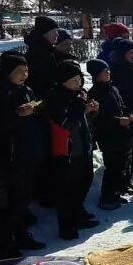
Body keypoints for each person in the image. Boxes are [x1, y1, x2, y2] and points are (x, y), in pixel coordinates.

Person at [0, 52, 47, 258]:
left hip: (29, 151)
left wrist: (38, 108)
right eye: (18, 72)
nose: (24, 75)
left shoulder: (26, 90)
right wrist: (16, 115)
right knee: (10, 202)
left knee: (23, 199)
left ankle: (22, 235)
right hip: (11, 155)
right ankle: (5, 244)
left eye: (26, 71)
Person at [48, 61, 99, 240]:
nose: (78, 82)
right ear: (63, 81)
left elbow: (81, 119)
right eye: (73, 79)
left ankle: (79, 215)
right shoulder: (56, 97)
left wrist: (90, 111)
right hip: (67, 151)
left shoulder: (79, 95)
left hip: (83, 146)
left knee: (84, 182)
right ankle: (66, 227)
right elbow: (66, 123)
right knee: (67, 191)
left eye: (79, 78)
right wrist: (80, 106)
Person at [87, 59, 133, 209]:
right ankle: (106, 197)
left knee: (121, 164)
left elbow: (122, 105)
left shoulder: (113, 88)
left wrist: (129, 114)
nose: (108, 73)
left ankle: (115, 193)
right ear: (96, 75)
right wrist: (118, 121)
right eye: (104, 71)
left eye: (108, 70)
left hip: (121, 133)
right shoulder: (94, 93)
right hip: (108, 135)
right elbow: (100, 118)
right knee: (112, 166)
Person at [109, 38, 133, 187]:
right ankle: (126, 176)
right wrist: (125, 112)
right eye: (131, 52)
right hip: (125, 112)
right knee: (127, 145)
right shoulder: (117, 70)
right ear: (123, 53)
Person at [24, 15, 61, 99]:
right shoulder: (38, 53)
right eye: (54, 31)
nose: (57, 34)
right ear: (44, 34)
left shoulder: (48, 50)